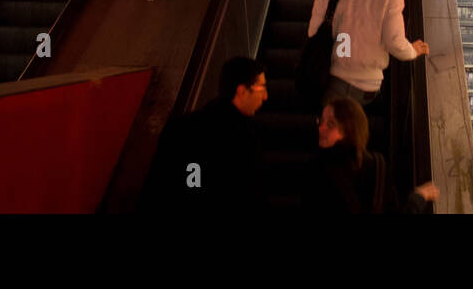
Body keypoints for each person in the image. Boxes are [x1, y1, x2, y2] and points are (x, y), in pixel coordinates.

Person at [140, 56, 269, 213]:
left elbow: (158, 183)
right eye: (261, 88)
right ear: (241, 91)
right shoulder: (243, 141)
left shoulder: (181, 126)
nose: (265, 96)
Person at [301, 97, 438, 214]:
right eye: (321, 120)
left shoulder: (315, 167)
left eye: (330, 124)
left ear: (350, 130)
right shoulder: (377, 166)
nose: (321, 128)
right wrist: (418, 198)